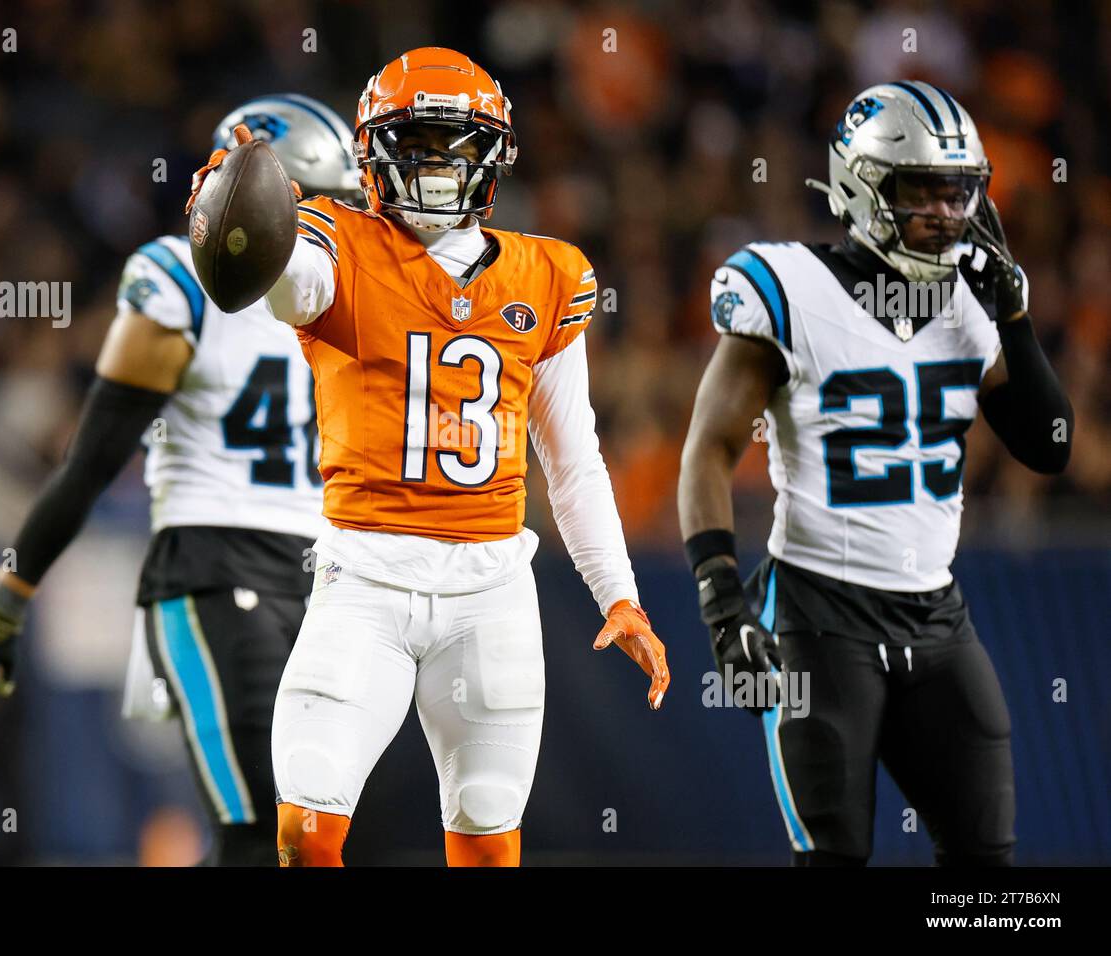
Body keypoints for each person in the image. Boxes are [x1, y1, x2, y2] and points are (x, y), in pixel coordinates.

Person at [190, 47, 669, 867]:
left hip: (491, 590)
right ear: (374, 152)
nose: (436, 166)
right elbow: (277, 277)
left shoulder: (547, 275)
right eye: (414, 143)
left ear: (492, 157)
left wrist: (619, 595)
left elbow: (573, 457)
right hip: (363, 580)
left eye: (453, 146)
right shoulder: (335, 243)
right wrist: (234, 224)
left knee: (486, 846)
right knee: (306, 833)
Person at [0, 94, 362, 866]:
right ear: (272, 199)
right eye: (333, 206)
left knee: (309, 833)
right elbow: (95, 458)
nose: (348, 227)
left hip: (330, 581)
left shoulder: (356, 297)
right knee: (265, 826)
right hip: (216, 567)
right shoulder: (178, 277)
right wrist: (12, 594)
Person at [678, 81, 1072, 866]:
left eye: (961, 195)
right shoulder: (790, 287)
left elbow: (1049, 445)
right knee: (835, 856)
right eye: (923, 191)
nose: (947, 215)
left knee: (988, 867)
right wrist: (722, 601)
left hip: (936, 616)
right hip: (820, 618)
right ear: (860, 186)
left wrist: (1016, 321)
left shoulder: (971, 301)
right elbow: (709, 448)